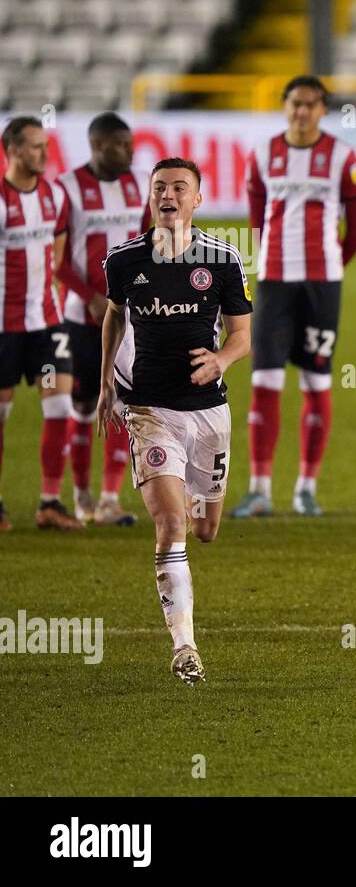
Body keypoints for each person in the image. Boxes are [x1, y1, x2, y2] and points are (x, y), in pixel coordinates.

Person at [98, 158, 253, 683]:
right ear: (150, 196)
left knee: (206, 529)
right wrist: (104, 387)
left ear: (198, 199)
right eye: (159, 187)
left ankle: (192, 496)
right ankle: (184, 647)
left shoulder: (224, 259)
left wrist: (221, 360)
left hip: (209, 412)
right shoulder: (124, 260)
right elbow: (114, 315)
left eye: (179, 188)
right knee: (171, 524)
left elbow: (242, 336)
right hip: (149, 410)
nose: (168, 195)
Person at [232, 75, 356, 519]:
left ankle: (306, 488)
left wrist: (331, 265)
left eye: (311, 105)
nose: (302, 112)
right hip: (272, 282)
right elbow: (256, 222)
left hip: (321, 286)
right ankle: (259, 489)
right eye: (295, 104)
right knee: (264, 380)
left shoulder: (342, 157)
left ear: (323, 109)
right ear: (284, 106)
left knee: (316, 379)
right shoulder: (263, 154)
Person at [55, 111, 148, 526]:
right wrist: (89, 296)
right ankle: (80, 496)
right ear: (97, 145)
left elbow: (150, 242)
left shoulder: (138, 184)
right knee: (82, 403)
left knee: (123, 401)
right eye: (121, 145)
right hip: (80, 316)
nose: (130, 151)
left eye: (131, 144)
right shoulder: (68, 190)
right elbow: (54, 260)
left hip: (129, 316)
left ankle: (110, 498)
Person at [0, 115, 79, 531]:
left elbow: (58, 257)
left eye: (45, 145)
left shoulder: (53, 196)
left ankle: (50, 502)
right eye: (34, 146)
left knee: (59, 404)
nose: (44, 153)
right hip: (3, 329)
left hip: (46, 326)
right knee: (2, 413)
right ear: (12, 150)